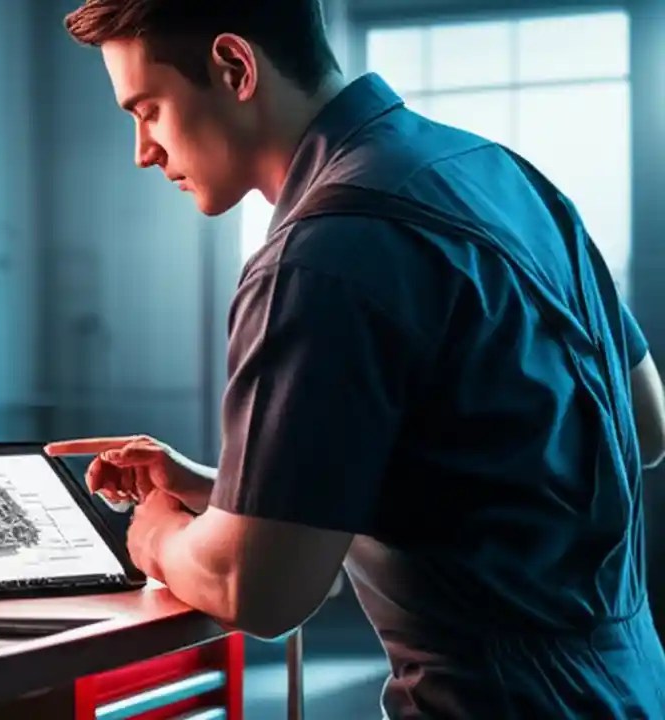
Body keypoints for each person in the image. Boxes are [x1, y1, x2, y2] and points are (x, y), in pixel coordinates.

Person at [45, 1, 665, 718]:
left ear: (233, 67)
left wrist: (155, 535)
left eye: (147, 109)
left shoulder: (318, 257)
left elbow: (264, 590)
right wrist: (236, 494)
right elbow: (643, 425)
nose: (142, 149)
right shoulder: (501, 174)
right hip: (633, 690)